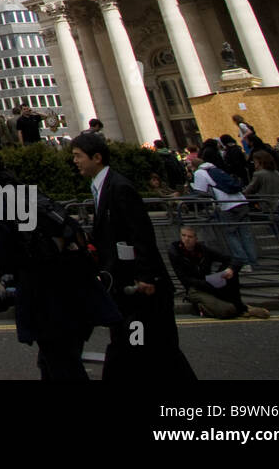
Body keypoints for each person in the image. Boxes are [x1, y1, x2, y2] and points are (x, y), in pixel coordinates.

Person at [0, 151, 120, 380]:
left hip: (45, 292)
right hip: (77, 285)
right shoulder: (30, 193)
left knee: (62, 363)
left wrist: (16, 271)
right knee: (55, 359)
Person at [70, 132, 195, 381]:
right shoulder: (101, 187)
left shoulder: (119, 187)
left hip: (140, 289)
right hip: (126, 284)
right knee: (147, 348)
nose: (75, 161)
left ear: (97, 157)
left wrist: (145, 276)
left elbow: (141, 233)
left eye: (78, 156)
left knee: (139, 346)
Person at [167, 226, 268, 320]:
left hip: (208, 281)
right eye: (183, 236)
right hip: (195, 289)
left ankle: (241, 307)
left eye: (190, 236)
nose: (186, 239)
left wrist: (230, 269)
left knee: (230, 271)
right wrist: (208, 283)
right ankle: (204, 308)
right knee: (227, 310)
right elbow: (185, 279)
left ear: (196, 239)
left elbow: (233, 259)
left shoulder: (203, 250)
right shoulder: (176, 252)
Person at [191, 147, 258, 270]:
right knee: (245, 233)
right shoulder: (215, 169)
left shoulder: (200, 173)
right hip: (240, 201)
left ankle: (242, 262)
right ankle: (253, 261)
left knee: (231, 234)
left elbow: (200, 191)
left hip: (226, 205)